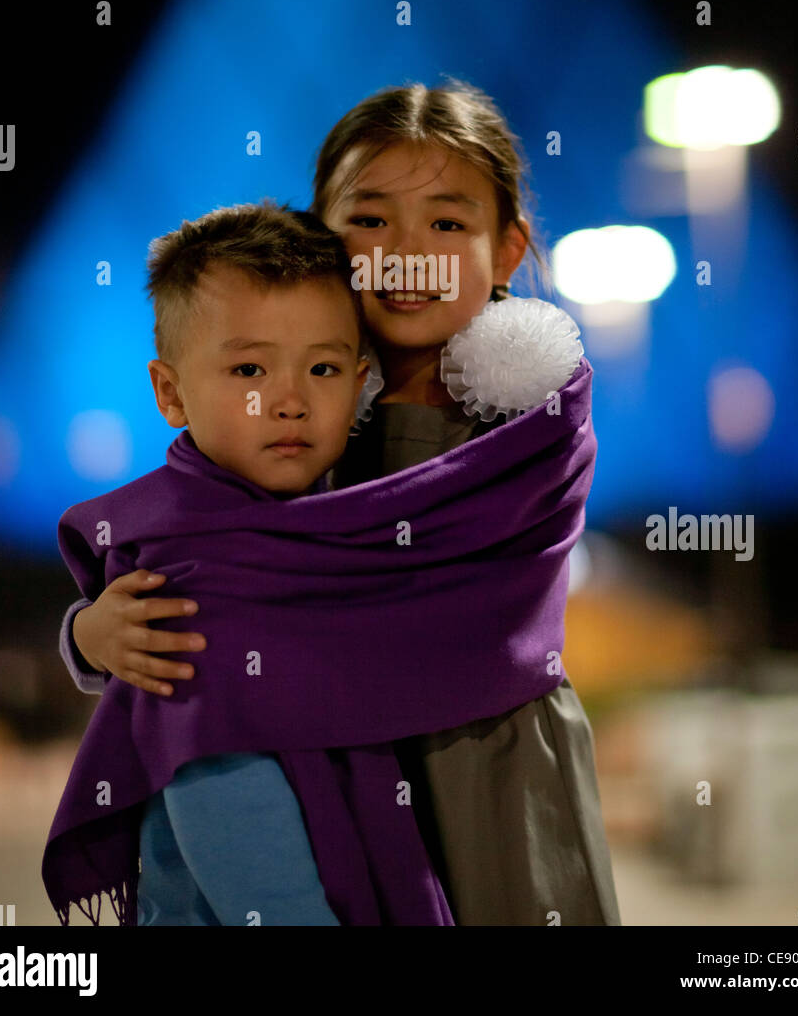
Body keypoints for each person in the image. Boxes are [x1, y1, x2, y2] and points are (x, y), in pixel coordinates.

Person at [60, 78, 621, 926]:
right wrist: (89, 634)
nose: (405, 249)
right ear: (320, 239)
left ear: (506, 251)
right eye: (368, 219)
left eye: (445, 221)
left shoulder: (528, 430)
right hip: (320, 778)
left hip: (492, 772)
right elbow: (198, 570)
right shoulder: (297, 416)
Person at [80, 202, 371, 925]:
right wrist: (87, 634)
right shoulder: (186, 580)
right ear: (170, 393)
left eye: (324, 368)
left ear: (362, 383)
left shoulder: (355, 526)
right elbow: (229, 811)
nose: (290, 400)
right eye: (248, 368)